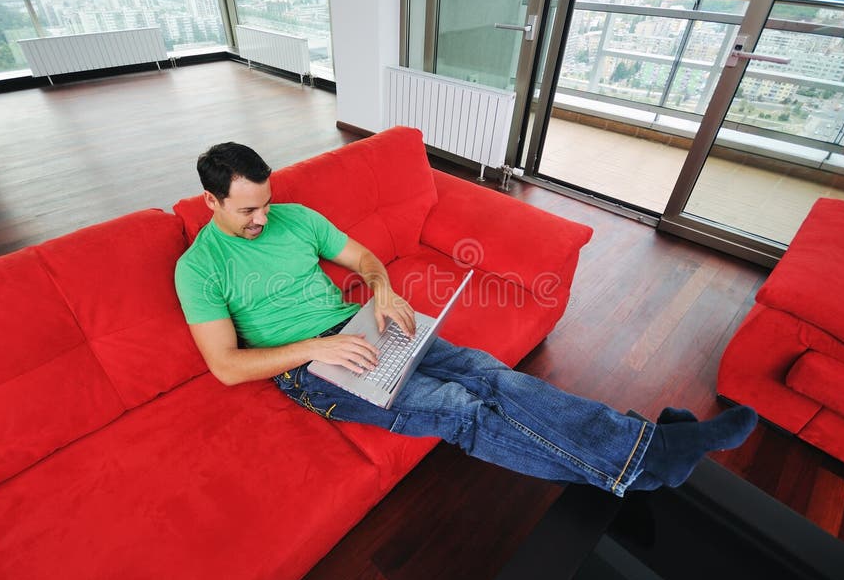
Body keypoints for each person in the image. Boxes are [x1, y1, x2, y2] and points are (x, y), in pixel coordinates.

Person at [174, 142, 758, 496]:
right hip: (309, 369)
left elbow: (364, 260)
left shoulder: (295, 218)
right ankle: (650, 457)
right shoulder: (199, 269)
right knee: (462, 410)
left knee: (488, 371)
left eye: (266, 202)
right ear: (211, 201)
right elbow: (225, 366)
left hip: (360, 328)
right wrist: (312, 350)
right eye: (249, 209)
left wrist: (379, 291)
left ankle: (649, 453)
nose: (262, 217)